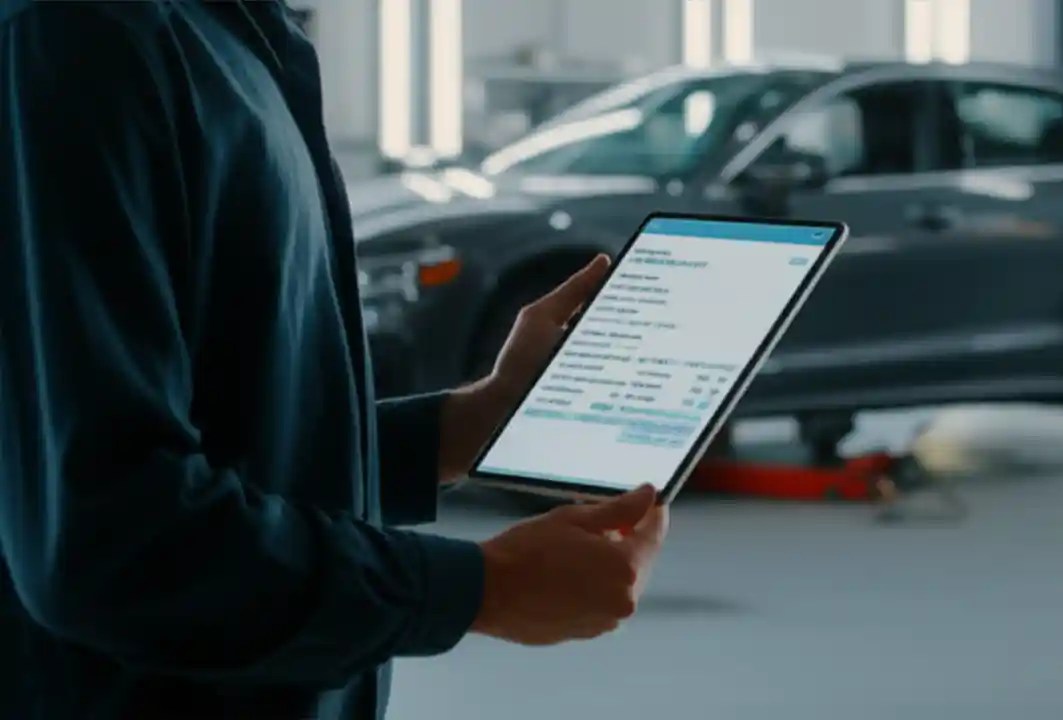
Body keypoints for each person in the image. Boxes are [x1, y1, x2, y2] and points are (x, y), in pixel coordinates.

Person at [0, 1, 668, 718]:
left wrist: (466, 427)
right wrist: (480, 587)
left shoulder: (240, 37)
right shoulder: (81, 34)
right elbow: (109, 537)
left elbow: (244, 436)